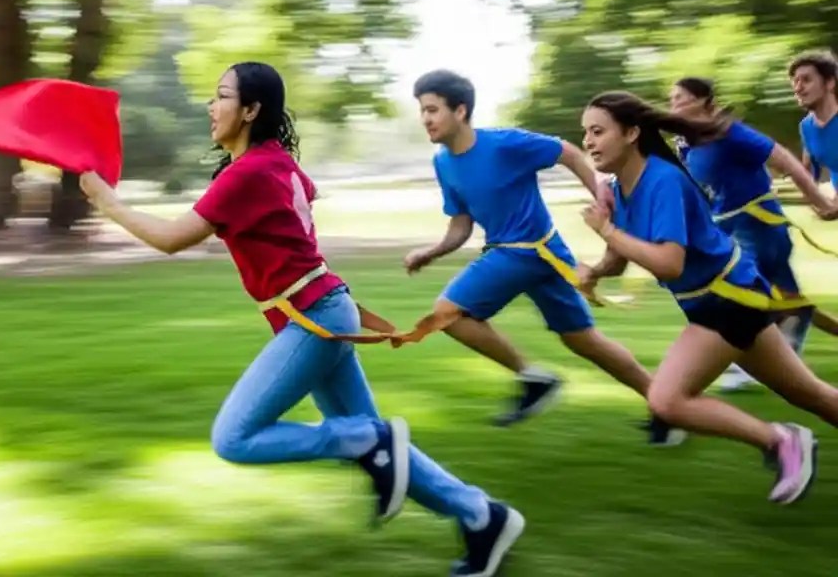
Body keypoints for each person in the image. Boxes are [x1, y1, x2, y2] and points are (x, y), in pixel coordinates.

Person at [79, 62, 523, 576]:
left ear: (250, 110)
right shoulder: (274, 162)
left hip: (312, 316)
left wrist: (107, 201)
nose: (211, 106)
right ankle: (481, 515)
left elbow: (170, 238)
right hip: (325, 307)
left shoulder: (246, 173)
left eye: (221, 96)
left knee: (237, 438)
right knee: (380, 448)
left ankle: (366, 443)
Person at [578, 90, 838, 504]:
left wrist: (608, 233)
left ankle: (781, 441)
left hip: (728, 299)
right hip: (727, 297)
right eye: (585, 133)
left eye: (597, 131)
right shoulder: (621, 189)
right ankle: (785, 440)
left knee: (667, 400)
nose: (588, 142)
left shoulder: (662, 180)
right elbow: (622, 257)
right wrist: (593, 272)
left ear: (631, 133)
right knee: (809, 393)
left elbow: (669, 263)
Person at [404, 69, 680, 445]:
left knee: (447, 313)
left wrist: (599, 189)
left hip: (524, 251)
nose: (426, 119)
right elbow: (462, 225)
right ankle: (666, 407)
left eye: (433, 109)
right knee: (584, 341)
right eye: (422, 110)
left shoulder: (504, 144)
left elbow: (566, 151)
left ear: (461, 111)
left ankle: (534, 378)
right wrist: (432, 252)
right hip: (541, 255)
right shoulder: (443, 163)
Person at [669, 77, 838, 392]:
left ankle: (743, 361)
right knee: (787, 299)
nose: (673, 103)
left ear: (703, 99)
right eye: (671, 98)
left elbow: (784, 160)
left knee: (745, 294)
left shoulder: (731, 133)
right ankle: (773, 349)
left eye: (680, 97)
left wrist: (818, 199)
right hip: (727, 227)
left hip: (758, 224)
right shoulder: (688, 143)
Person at [794, 50, 838, 191]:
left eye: (806, 80)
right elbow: (809, 173)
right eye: (795, 81)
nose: (798, 88)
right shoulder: (806, 126)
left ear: (829, 83)